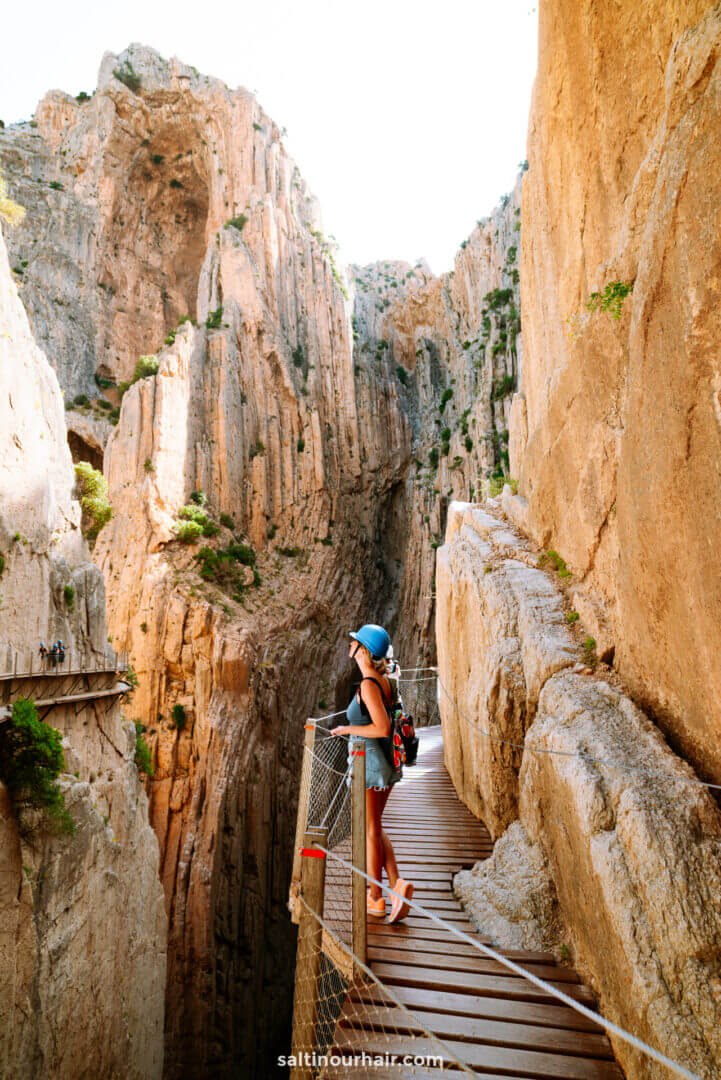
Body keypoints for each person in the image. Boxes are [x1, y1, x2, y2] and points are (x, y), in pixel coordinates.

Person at [331, 623, 414, 923]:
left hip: (372, 762)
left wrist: (346, 728)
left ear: (363, 650)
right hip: (385, 762)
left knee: (369, 829)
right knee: (375, 826)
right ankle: (396, 885)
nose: (349, 645)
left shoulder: (368, 684)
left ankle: (376, 897)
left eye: (354, 642)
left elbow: (380, 728)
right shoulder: (385, 680)